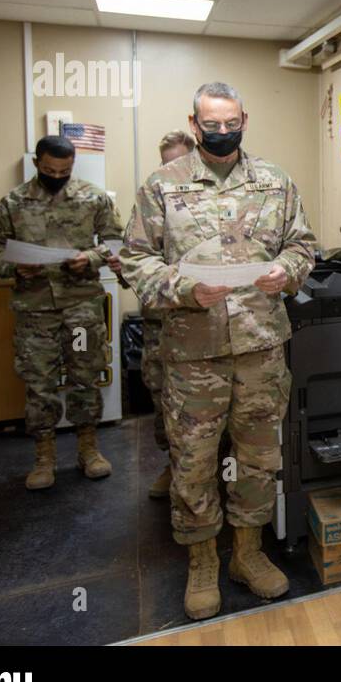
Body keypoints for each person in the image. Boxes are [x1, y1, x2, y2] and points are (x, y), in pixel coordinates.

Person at [121, 82, 317, 620]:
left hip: (260, 347)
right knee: (194, 463)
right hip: (192, 350)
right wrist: (184, 289)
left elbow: (303, 243)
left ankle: (247, 556)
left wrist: (290, 269)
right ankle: (203, 560)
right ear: (194, 122)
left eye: (232, 123)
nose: (223, 132)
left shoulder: (275, 182)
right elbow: (136, 261)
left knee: (257, 458)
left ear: (244, 119)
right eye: (213, 124)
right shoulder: (163, 185)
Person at [0, 134, 124, 490]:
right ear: (36, 164)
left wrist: (89, 258)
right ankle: (44, 457)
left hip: (81, 308)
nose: (56, 175)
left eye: (64, 170)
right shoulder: (12, 204)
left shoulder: (94, 198)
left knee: (84, 374)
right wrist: (14, 268)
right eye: (49, 170)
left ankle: (88, 449)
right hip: (36, 311)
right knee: (39, 383)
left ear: (72, 165)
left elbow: (116, 242)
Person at [137, 129, 197, 499]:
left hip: (203, 321)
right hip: (161, 320)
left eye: (177, 162)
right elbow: (136, 254)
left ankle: (216, 472)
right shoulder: (153, 196)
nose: (170, 170)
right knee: (163, 397)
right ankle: (171, 467)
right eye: (165, 164)